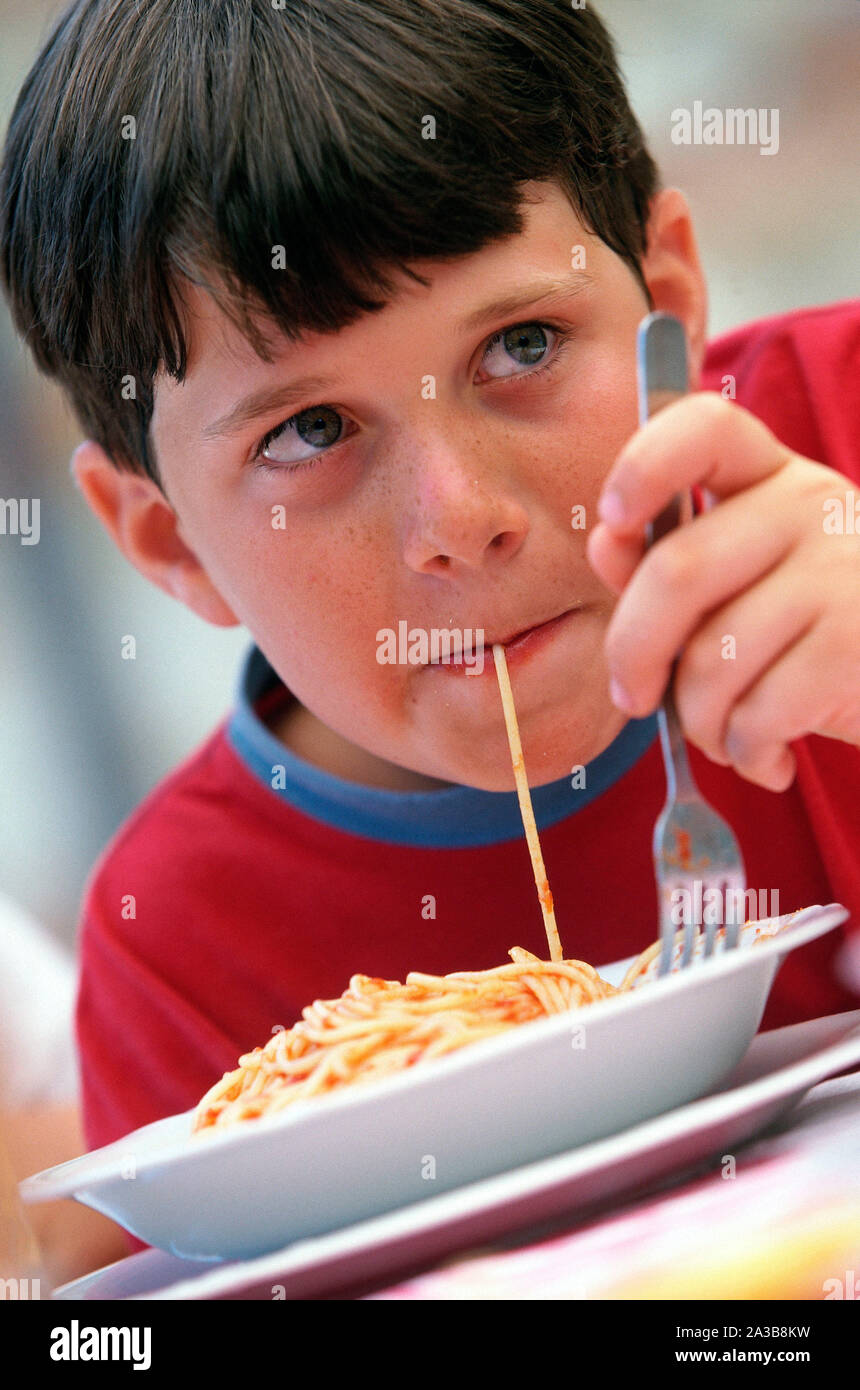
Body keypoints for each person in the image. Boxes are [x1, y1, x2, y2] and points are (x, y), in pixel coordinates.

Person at [1, 0, 857, 1211]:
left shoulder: (842, 437)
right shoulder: (193, 957)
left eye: (519, 346)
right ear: (165, 538)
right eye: (310, 430)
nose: (459, 520)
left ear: (665, 294)